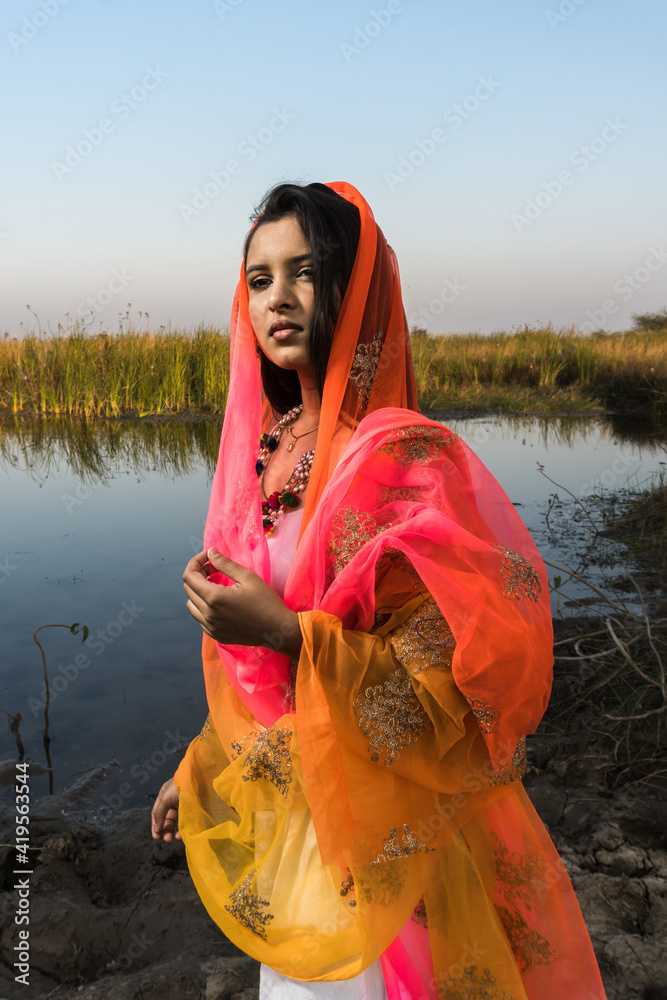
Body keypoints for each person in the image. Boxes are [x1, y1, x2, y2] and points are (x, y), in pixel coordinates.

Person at [151, 181, 608, 1000]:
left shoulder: (401, 459)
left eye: (305, 272)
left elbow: (456, 682)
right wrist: (202, 767)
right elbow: (256, 687)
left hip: (395, 831)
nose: (278, 298)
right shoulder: (268, 446)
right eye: (258, 279)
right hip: (301, 825)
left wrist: (291, 634)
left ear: (356, 291)